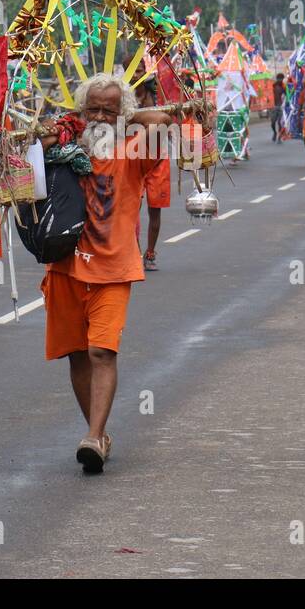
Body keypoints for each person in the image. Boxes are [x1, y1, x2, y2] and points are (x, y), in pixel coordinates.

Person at [37, 73, 200, 473]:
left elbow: (162, 123)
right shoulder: (66, 145)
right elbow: (28, 152)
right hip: (65, 265)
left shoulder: (135, 149)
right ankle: (98, 431)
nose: (99, 116)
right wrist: (54, 131)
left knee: (101, 351)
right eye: (92, 108)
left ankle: (93, 436)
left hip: (113, 268)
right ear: (80, 109)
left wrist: (127, 117)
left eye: (109, 110)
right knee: (76, 356)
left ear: (123, 113)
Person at [135, 79, 168, 271]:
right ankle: (135, 253)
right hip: (133, 159)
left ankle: (150, 253)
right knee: (132, 210)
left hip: (158, 160)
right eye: (132, 70)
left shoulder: (157, 97)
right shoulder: (124, 99)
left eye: (139, 70)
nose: (135, 75)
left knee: (155, 210)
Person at [271, 72, 286, 141]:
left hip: (280, 106)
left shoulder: (283, 87)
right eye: (279, 79)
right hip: (273, 106)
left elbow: (287, 95)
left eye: (281, 79)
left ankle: (279, 135)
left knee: (280, 122)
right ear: (277, 79)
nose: (280, 80)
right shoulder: (273, 86)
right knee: (273, 122)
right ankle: (275, 132)